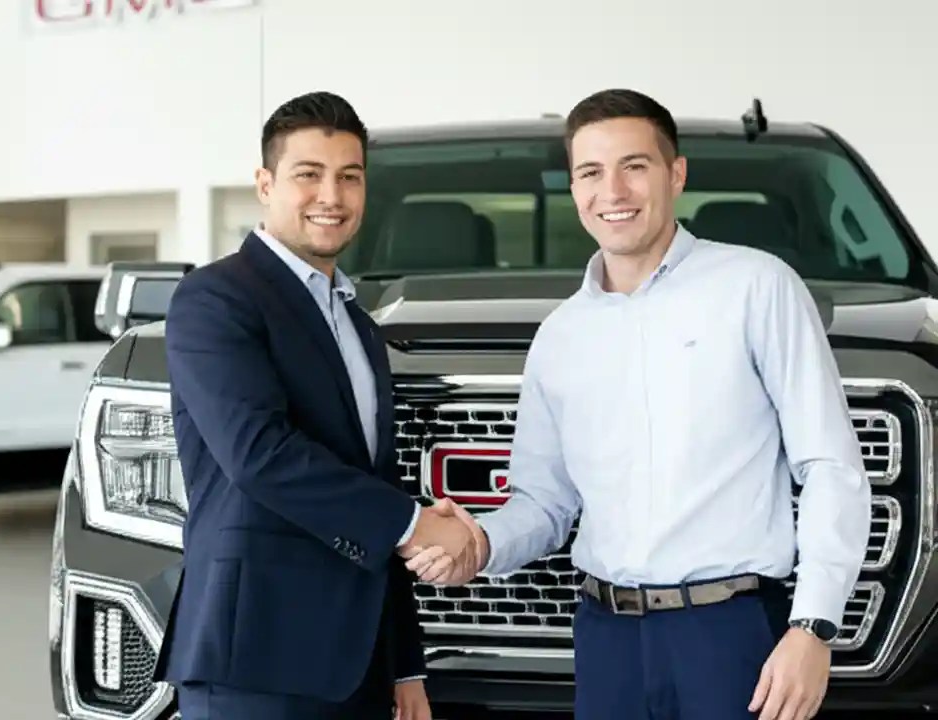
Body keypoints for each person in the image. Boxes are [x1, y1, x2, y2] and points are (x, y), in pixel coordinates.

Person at [401, 88, 872, 720]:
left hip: (731, 636)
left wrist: (813, 626)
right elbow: (545, 501)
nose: (613, 191)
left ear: (675, 174)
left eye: (635, 166)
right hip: (607, 639)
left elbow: (829, 466)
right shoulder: (561, 336)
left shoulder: (757, 288)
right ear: (574, 188)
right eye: (591, 173)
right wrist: (481, 543)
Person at [151, 90, 476, 720]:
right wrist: (416, 524)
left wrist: (403, 662)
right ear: (265, 184)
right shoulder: (215, 298)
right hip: (255, 659)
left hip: (354, 666)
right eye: (309, 175)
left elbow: (372, 486)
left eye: (349, 177)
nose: (332, 196)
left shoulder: (356, 322)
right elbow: (259, 455)